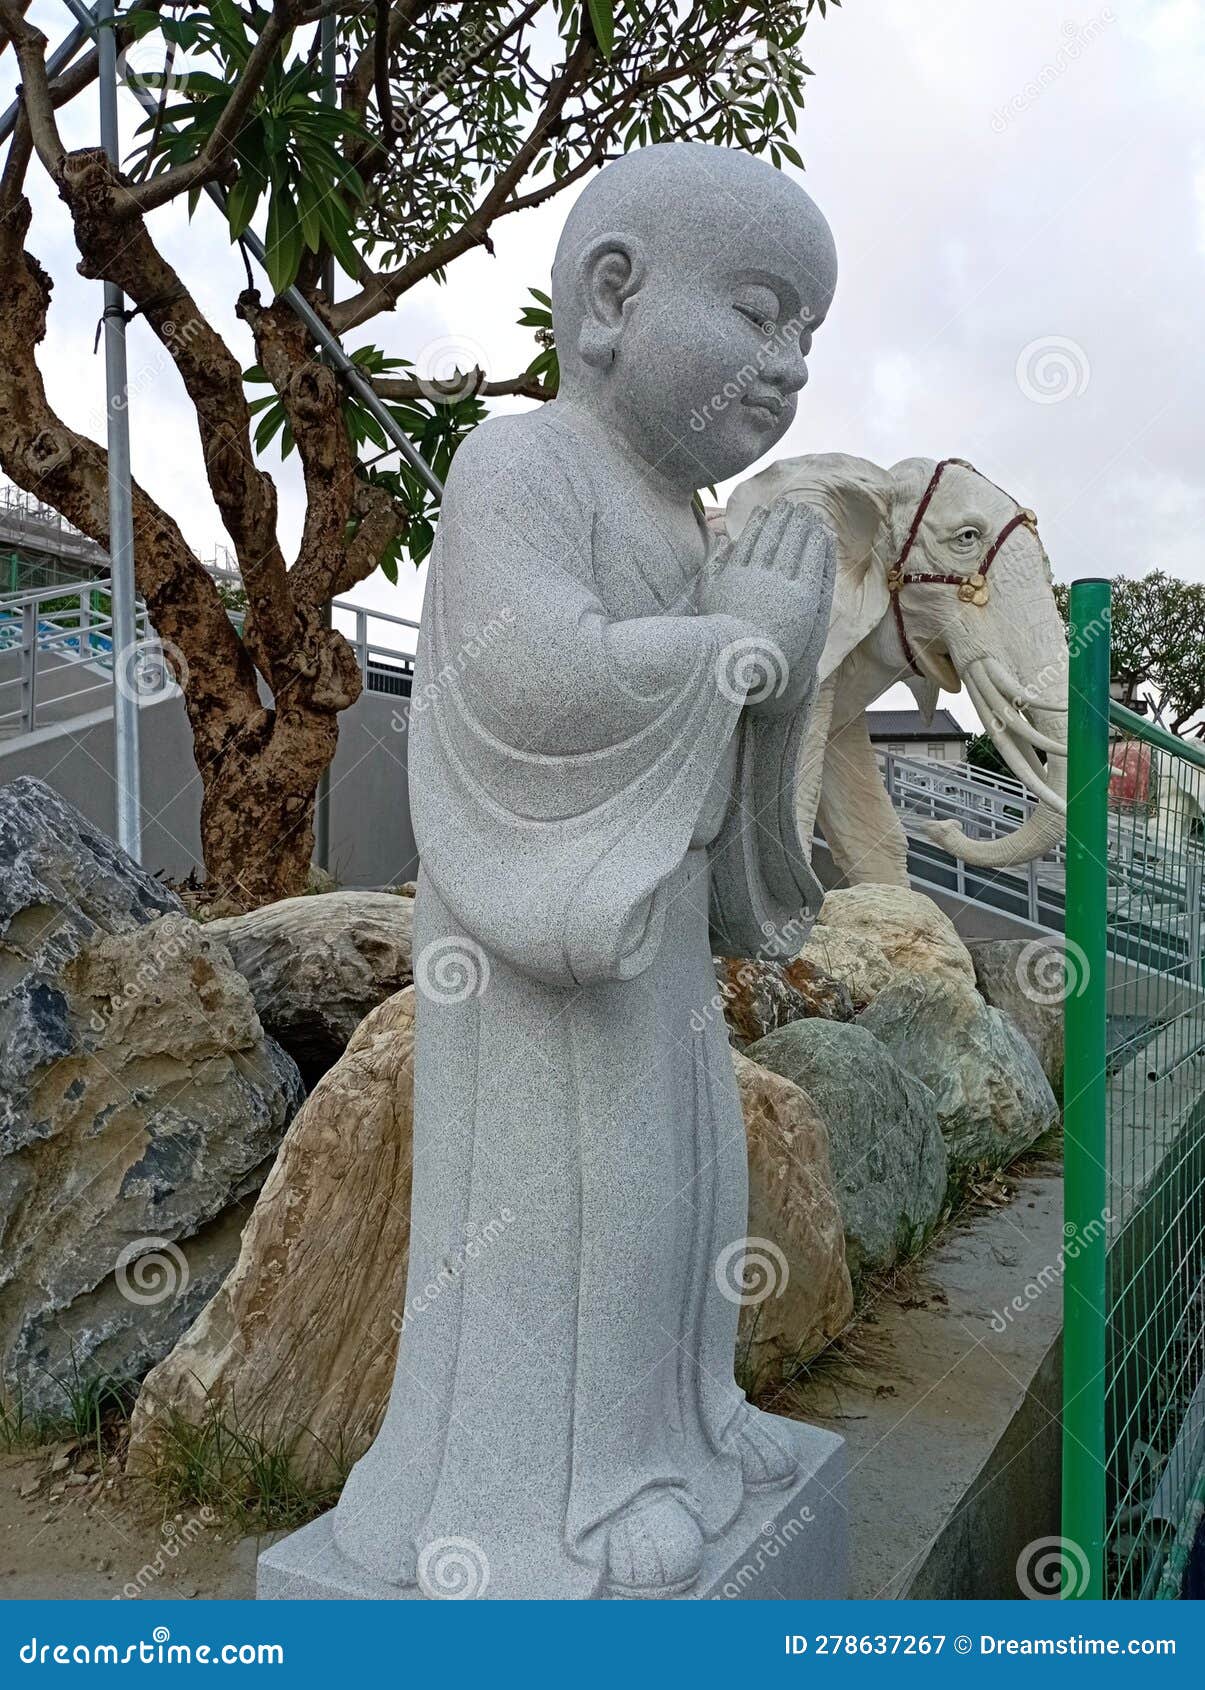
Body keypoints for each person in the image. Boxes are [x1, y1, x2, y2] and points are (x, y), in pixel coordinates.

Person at [333, 142, 839, 1600]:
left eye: (808, 335)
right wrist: (727, 643)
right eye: (759, 312)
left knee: (688, 1177)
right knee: (575, 1197)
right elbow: (525, 683)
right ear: (611, 294)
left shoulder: (684, 517)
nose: (789, 364)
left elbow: (728, 710)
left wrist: (774, 661)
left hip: (657, 936)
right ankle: (542, 1495)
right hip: (546, 953)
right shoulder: (522, 463)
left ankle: (675, 1425)